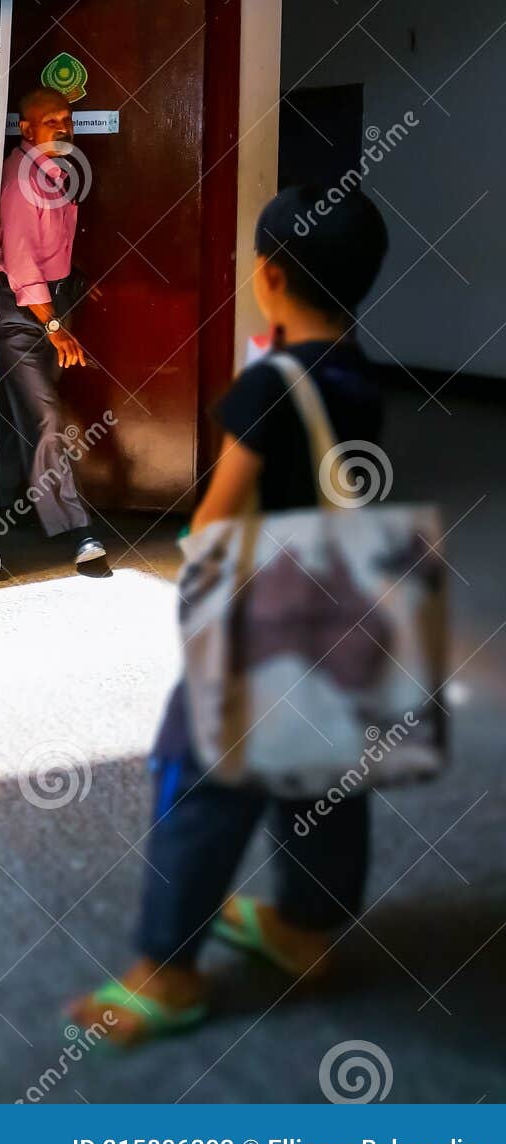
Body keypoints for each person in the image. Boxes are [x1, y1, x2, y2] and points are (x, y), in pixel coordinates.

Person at [66, 184, 389, 1047]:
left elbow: (218, 519)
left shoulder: (271, 386)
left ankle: (167, 975)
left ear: (269, 276)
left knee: (201, 782)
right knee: (322, 776)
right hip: (338, 621)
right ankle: (306, 929)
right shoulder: (363, 381)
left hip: (259, 628)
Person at [0, 85, 110, 571]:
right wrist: (57, 325)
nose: (63, 127)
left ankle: (0, 511)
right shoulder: (18, 184)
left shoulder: (55, 172)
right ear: (26, 129)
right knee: (44, 418)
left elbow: (52, 247)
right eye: (52, 121)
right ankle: (77, 531)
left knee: (15, 416)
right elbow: (22, 267)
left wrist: (77, 277)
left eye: (68, 119)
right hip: (25, 317)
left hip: (54, 304)